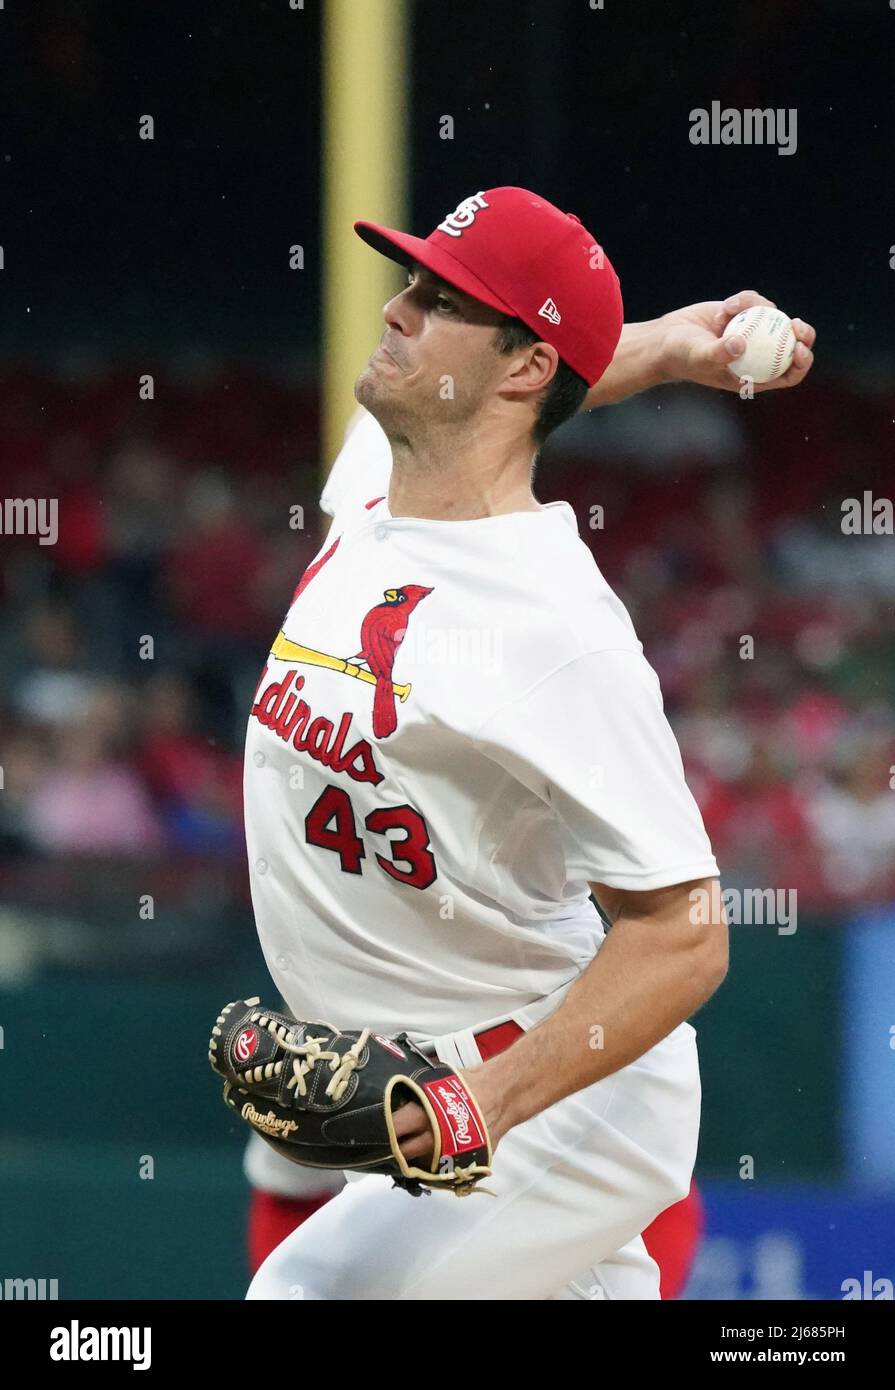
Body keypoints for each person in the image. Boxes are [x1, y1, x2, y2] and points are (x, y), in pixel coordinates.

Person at [242, 187, 815, 1300]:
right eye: (411, 282)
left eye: (441, 299)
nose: (397, 310)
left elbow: (688, 935)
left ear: (517, 366)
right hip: (450, 1078)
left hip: (555, 1097)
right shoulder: (372, 491)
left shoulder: (554, 630)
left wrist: (477, 1107)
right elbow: (559, 370)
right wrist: (666, 347)